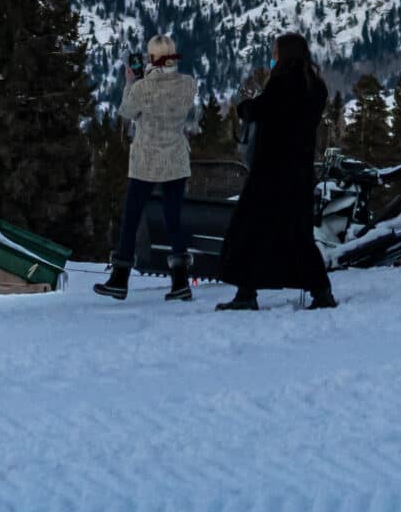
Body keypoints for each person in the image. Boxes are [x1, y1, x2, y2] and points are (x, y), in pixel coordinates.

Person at [215, 32, 337, 311]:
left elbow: (260, 111)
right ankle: (321, 290)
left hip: (271, 171)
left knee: (250, 231)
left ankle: (246, 292)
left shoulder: (282, 84)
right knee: (298, 235)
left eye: (275, 52)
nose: (272, 57)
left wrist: (243, 107)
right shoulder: (315, 86)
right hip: (300, 171)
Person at [94, 34, 202, 302]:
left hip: (145, 161)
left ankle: (120, 279)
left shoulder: (143, 88)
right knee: (173, 220)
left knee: (131, 219)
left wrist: (130, 83)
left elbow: (126, 111)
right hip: (176, 159)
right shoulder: (188, 84)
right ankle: (180, 282)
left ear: (151, 58)